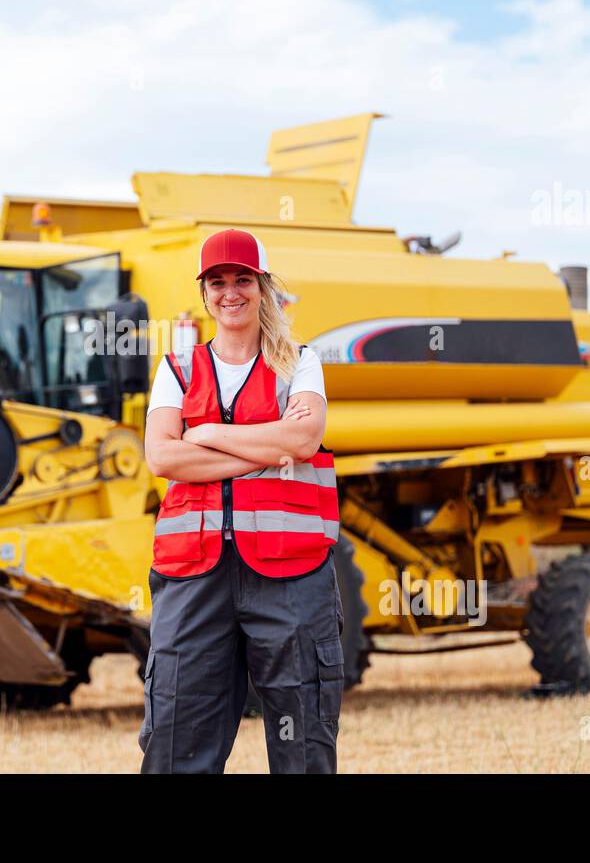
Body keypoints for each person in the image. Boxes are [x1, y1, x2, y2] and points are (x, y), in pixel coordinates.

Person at [139, 227, 343, 774]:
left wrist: (204, 435)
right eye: (218, 282)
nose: (231, 292)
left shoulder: (301, 363)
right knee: (176, 732)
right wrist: (267, 446)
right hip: (193, 575)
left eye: (243, 280)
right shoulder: (176, 369)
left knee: (304, 734)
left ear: (263, 288)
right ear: (204, 293)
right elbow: (162, 458)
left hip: (291, 571)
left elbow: (302, 440)